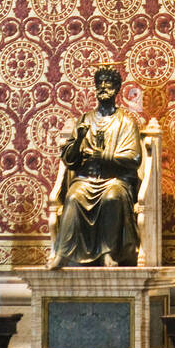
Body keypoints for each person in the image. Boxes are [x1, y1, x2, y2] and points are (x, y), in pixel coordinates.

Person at [48, 67, 142, 268]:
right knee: (73, 197)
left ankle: (108, 253)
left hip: (115, 180)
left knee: (112, 197)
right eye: (100, 83)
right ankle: (61, 254)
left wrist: (105, 156)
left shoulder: (126, 121)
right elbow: (70, 161)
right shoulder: (84, 120)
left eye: (108, 83)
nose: (103, 87)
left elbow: (134, 158)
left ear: (117, 88)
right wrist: (79, 138)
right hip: (86, 179)